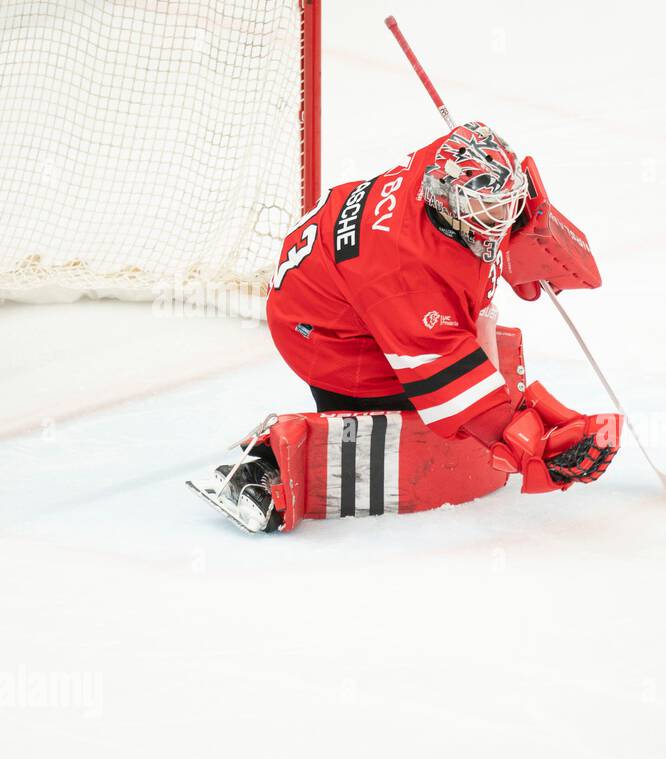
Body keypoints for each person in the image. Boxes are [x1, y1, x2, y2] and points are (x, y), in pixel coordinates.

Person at [190, 121, 620, 532]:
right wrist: (523, 443)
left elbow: (481, 155)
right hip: (325, 335)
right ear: (444, 201)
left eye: (507, 205)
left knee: (477, 371)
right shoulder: (401, 277)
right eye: (488, 210)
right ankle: (264, 468)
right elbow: (448, 380)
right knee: (420, 421)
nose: (502, 220)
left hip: (343, 284)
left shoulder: (449, 160)